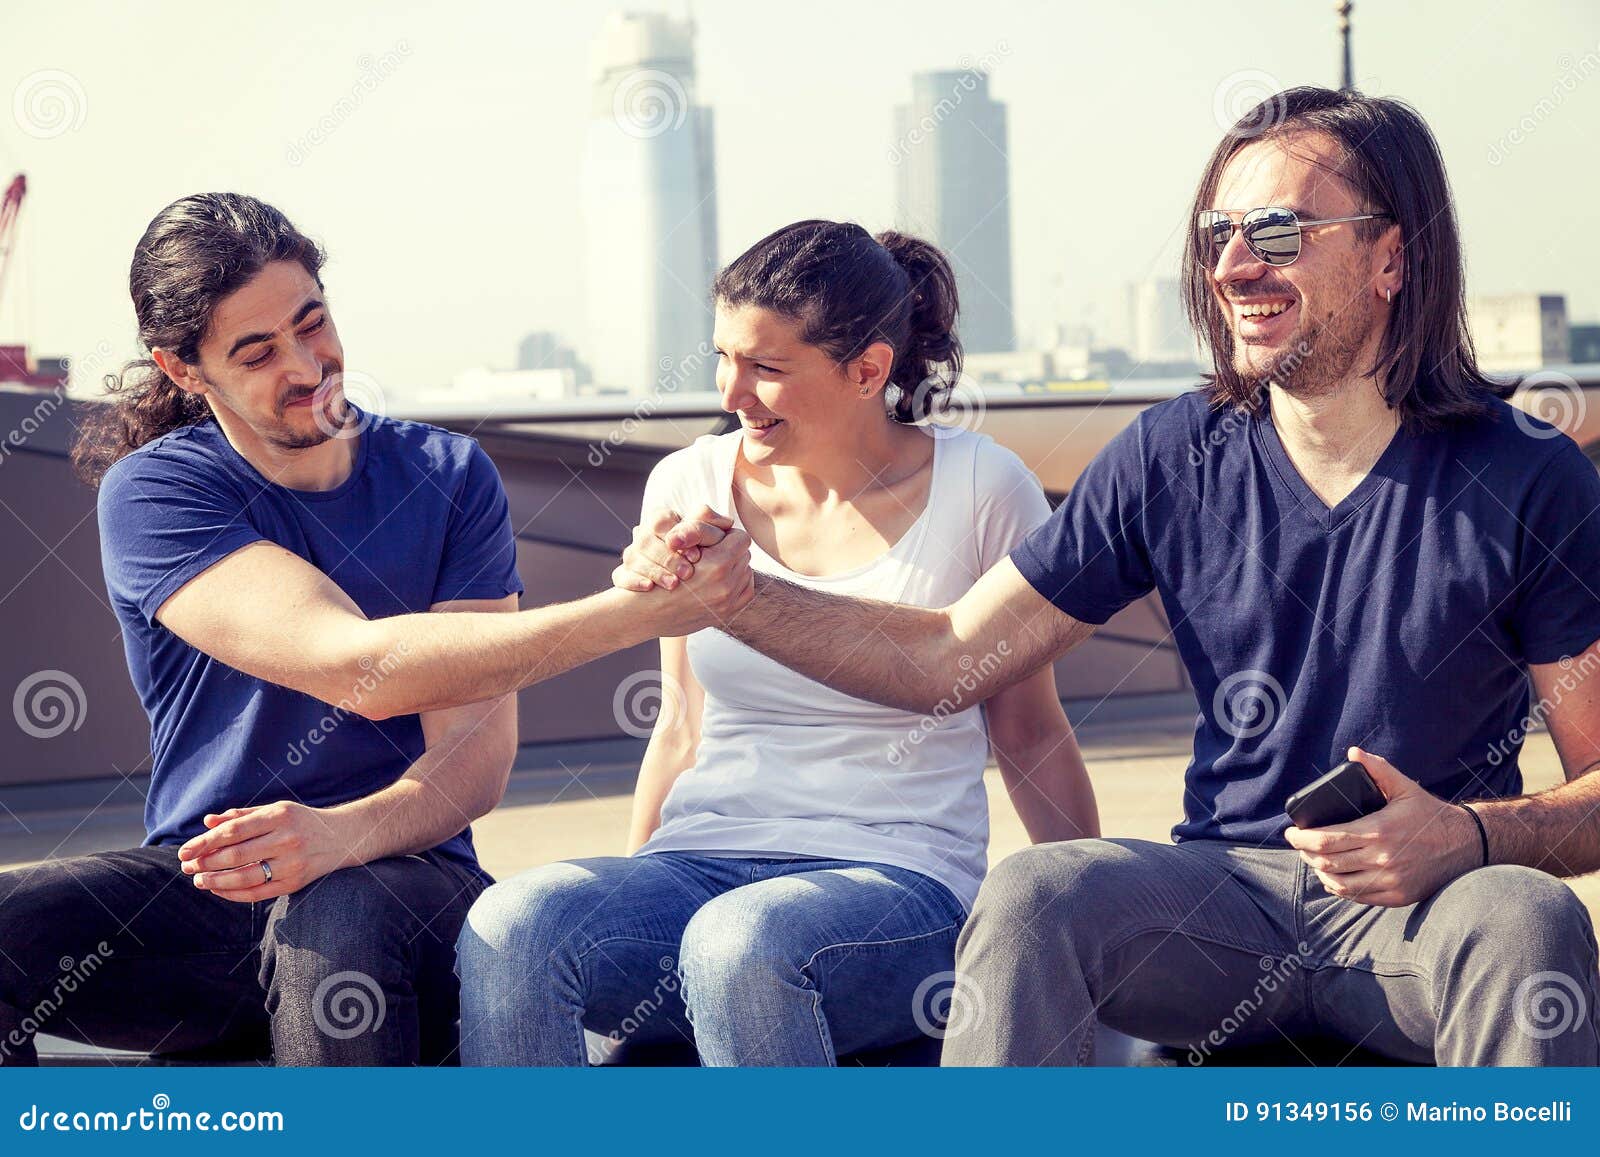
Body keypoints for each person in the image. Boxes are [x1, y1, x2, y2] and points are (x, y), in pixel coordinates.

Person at [619, 88, 1600, 1066]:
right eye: (1216, 232)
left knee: (1524, 918)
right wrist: (735, 590)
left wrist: (1467, 834)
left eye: (1276, 230)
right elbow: (949, 655)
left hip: (1424, 918)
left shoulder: (1528, 477)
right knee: (1031, 893)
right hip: (1221, 907)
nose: (1230, 264)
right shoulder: (1171, 453)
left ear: (1390, 254)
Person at [0, 193, 748, 1066]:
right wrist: (634, 614)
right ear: (183, 369)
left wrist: (341, 833)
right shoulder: (157, 493)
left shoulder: (445, 474)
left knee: (336, 917)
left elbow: (475, 757)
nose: (307, 363)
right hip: (216, 892)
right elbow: (357, 665)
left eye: (312, 323)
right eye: (258, 352)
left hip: (407, 883)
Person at [455, 220, 1097, 1066]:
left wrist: (1091, 930)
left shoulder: (984, 487)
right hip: (702, 860)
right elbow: (679, 725)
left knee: (743, 942)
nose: (731, 391)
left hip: (899, 880)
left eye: (766, 367)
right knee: (516, 926)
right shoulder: (687, 483)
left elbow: (1028, 727)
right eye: (723, 357)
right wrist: (631, 886)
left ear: (867, 370)